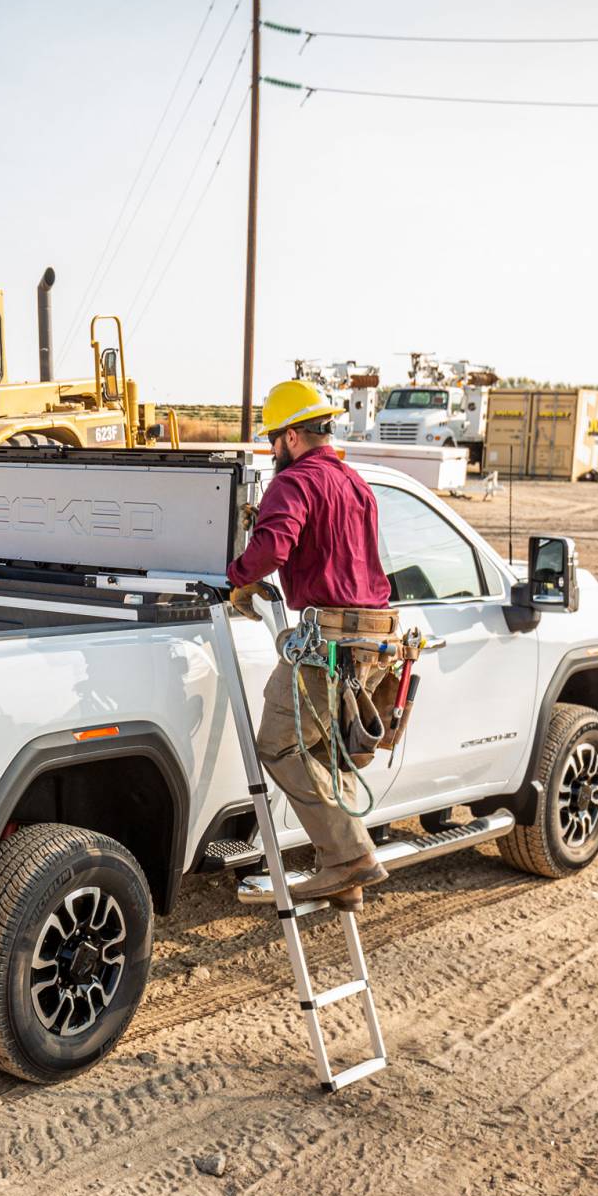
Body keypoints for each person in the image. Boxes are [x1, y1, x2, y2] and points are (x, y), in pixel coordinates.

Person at [226, 380, 396, 910]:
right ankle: (345, 874)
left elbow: (274, 548)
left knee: (279, 744)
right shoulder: (354, 483)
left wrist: (234, 575)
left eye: (273, 439)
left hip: (329, 641)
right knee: (328, 753)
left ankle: (350, 856)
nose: (272, 450)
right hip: (372, 640)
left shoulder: (294, 481)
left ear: (292, 436)